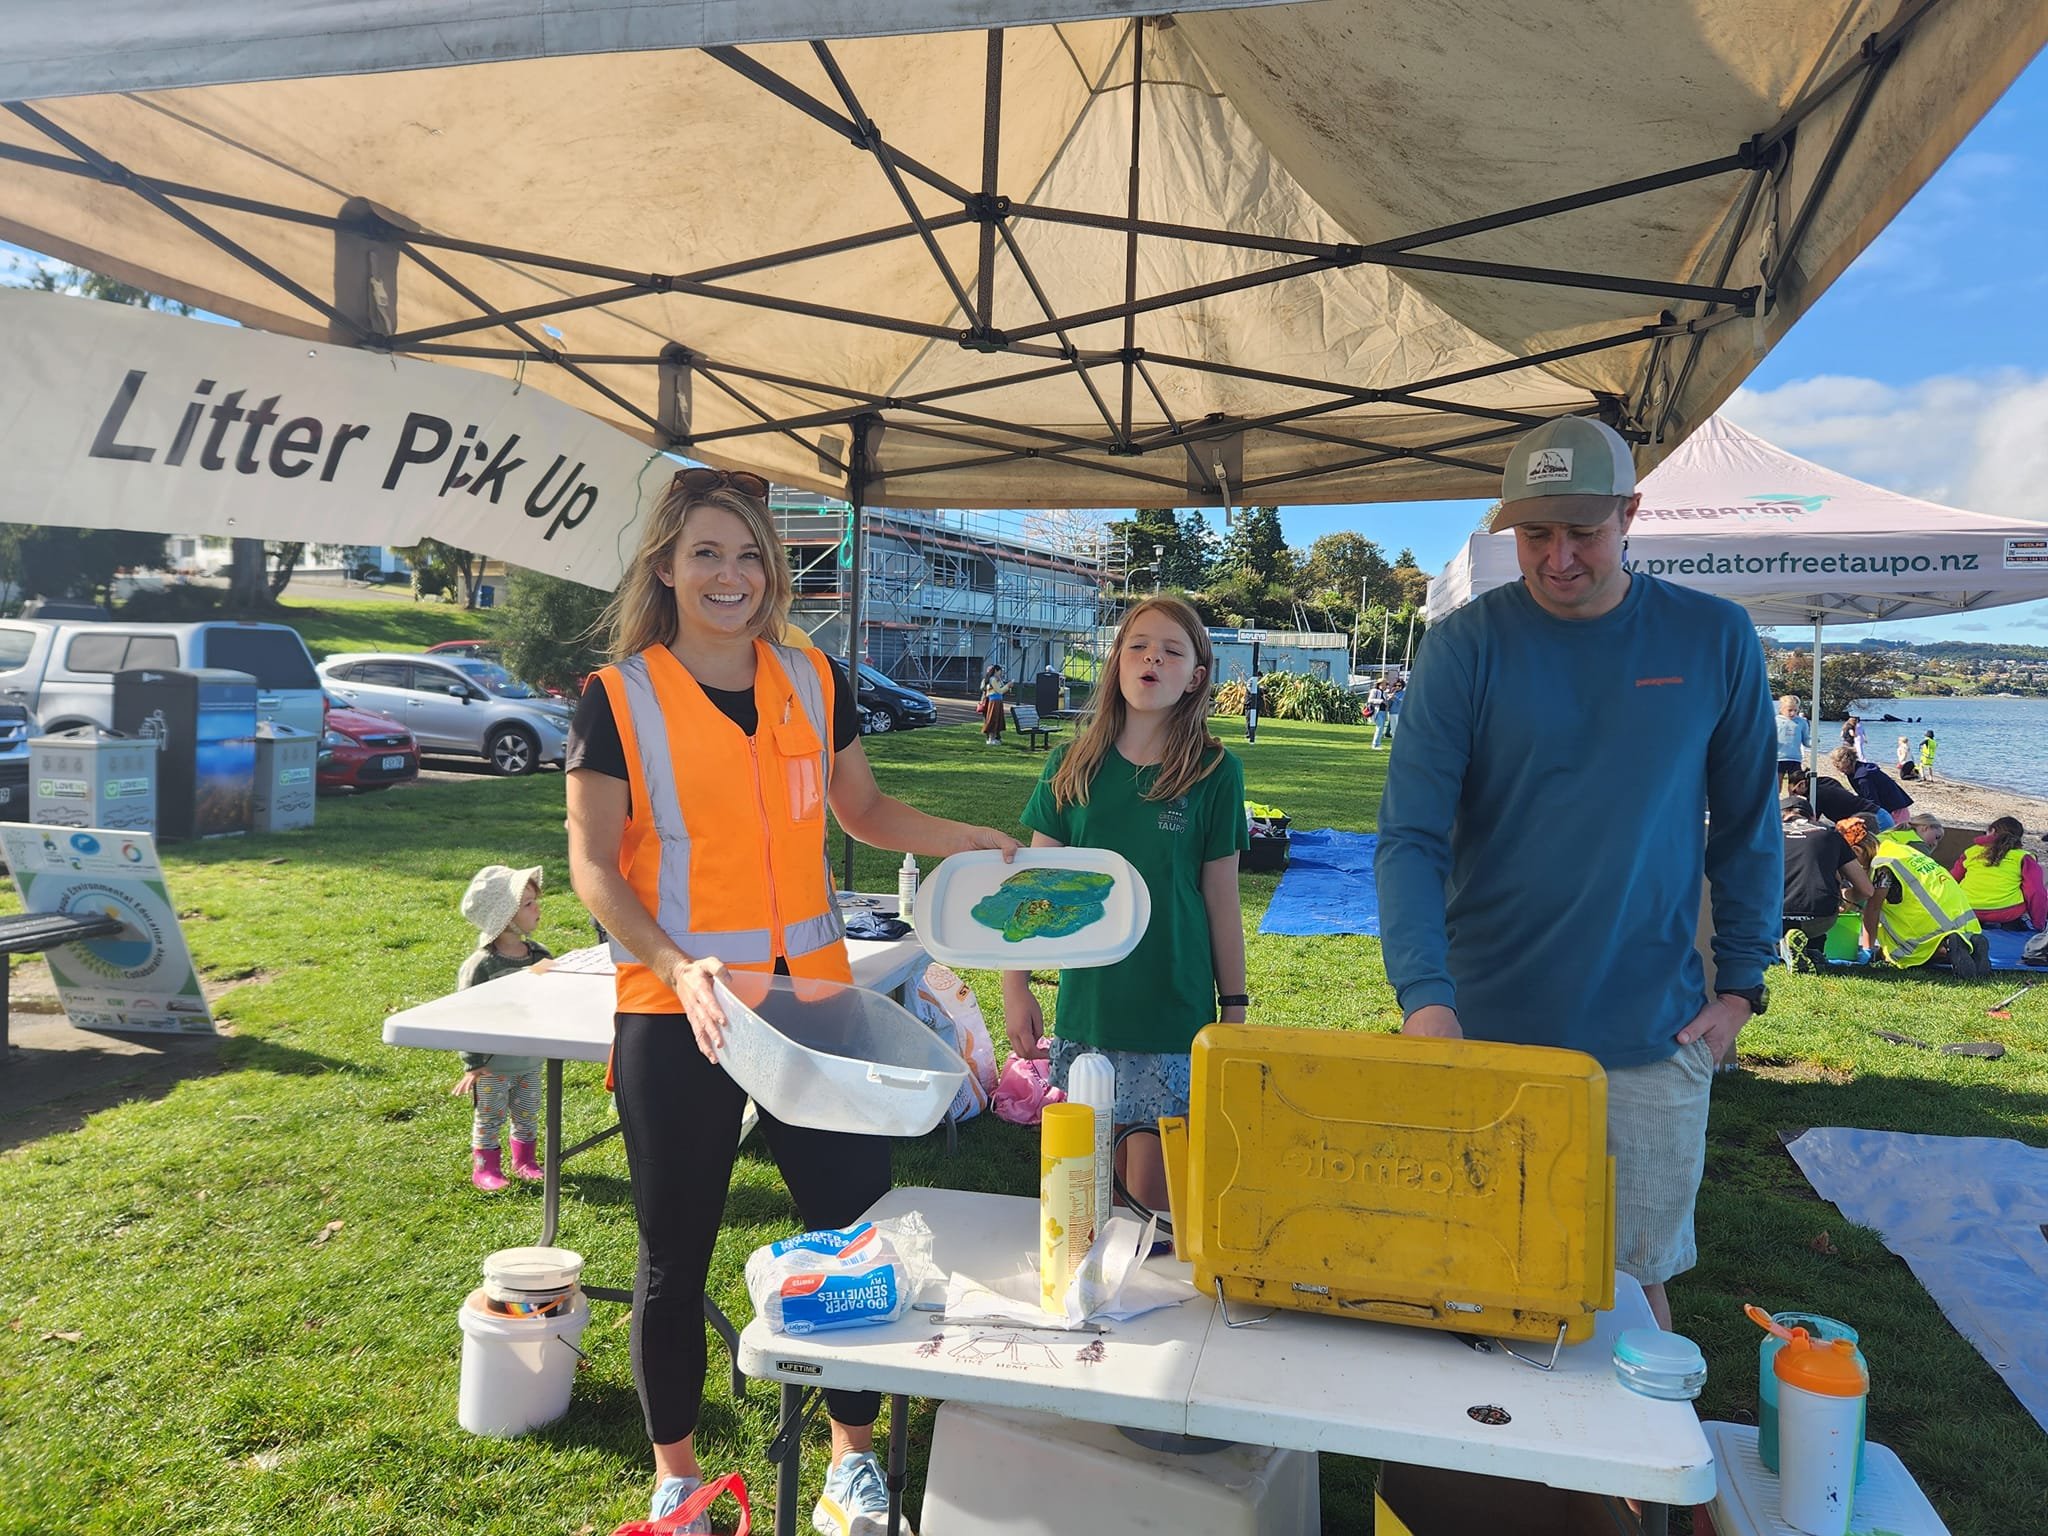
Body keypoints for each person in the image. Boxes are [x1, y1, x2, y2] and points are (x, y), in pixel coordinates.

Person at [565, 466, 1019, 1535]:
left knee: (852, 1236)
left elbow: (861, 810)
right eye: (706, 554)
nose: (730, 576)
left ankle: (849, 1460)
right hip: (681, 1010)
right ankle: (677, 1478)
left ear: (773, 570)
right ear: (665, 567)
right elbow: (593, 867)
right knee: (674, 1251)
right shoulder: (617, 697)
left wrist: (965, 837)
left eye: (749, 556)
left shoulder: (812, 676)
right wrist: (676, 965)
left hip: (813, 1003)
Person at [1377, 415, 1777, 1332]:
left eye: (1582, 533)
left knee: (1632, 1290)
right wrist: (1424, 998)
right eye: (1536, 534)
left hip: (1651, 1030)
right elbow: (1410, 837)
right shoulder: (1466, 645)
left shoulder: (1713, 637)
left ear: (1630, 515)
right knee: (1476, 1278)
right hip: (1481, 1024)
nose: (1558, 559)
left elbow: (1748, 825)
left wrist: (1743, 987)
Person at [1002, 595, 1249, 1217]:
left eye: (1171, 651)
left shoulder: (1215, 772)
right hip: (1090, 1006)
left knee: (1151, 1201)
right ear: (1116, 662)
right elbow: (1034, 889)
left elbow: (1221, 899)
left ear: (1195, 677)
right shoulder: (1070, 765)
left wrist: (1236, 1005)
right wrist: (1016, 984)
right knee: (1089, 1195)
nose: (1151, 659)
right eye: (1138, 646)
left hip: (1173, 1006)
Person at [450, 864, 551, 1190]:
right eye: (528, 904)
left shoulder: (539, 955)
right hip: (493, 1065)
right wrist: (473, 1063)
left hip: (530, 1058)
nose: (537, 908)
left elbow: (553, 998)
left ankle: (525, 1161)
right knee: (490, 1117)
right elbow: (466, 1016)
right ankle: (486, 1168)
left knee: (527, 1112)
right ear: (505, 916)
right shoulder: (481, 966)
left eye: (535, 901)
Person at [1862, 812, 1989, 976]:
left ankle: (1946, 949)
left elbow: (1873, 907)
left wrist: (1867, 949)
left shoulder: (1883, 861)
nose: (1935, 844)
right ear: (1924, 828)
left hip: (1927, 918)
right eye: (1936, 837)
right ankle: (1967, 943)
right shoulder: (1905, 848)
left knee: (1902, 954)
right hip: (1956, 911)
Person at [1780, 794, 1874, 972]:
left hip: (1774, 917)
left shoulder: (1765, 834)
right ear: (1813, 817)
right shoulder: (1830, 834)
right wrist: (1846, 898)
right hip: (1819, 917)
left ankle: (1780, 947)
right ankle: (1810, 950)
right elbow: (1866, 890)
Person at [1951, 816, 2047, 930]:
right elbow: (2035, 891)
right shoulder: (2023, 857)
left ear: (1992, 831)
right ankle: (2012, 925)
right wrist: (2039, 924)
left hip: (1968, 909)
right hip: (2007, 912)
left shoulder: (1971, 852)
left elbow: (1951, 880)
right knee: (2029, 883)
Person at [1834, 745, 1913, 830]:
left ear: (1846, 763)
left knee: (1896, 833)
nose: (1839, 770)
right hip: (1890, 806)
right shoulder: (1854, 772)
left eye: (1838, 766)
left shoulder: (1863, 777)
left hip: (1895, 809)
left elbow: (1872, 802)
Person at [1774, 695, 1810, 782]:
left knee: (1795, 784)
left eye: (1795, 710)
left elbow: (1806, 739)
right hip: (1778, 758)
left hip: (1795, 758)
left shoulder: (1802, 722)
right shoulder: (1775, 721)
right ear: (1781, 709)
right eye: (1790, 710)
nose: (1793, 713)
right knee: (1777, 783)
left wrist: (1813, 742)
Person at [979, 663, 1008, 746]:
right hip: (992, 701)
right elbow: (999, 690)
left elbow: (1000, 688)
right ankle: (990, 738)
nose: (1000, 674)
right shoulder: (991, 679)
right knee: (992, 719)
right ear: (996, 671)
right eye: (1000, 672)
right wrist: (1008, 686)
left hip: (997, 700)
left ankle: (995, 737)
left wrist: (1001, 682)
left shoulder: (996, 679)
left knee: (997, 719)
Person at [1244, 667, 1263, 744]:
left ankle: (1252, 733)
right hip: (1250, 703)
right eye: (1260, 678)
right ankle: (1249, 734)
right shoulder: (1251, 681)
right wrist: (1259, 689)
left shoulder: (1256, 683)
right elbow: (1251, 691)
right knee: (1249, 719)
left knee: (1254, 720)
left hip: (1255, 704)